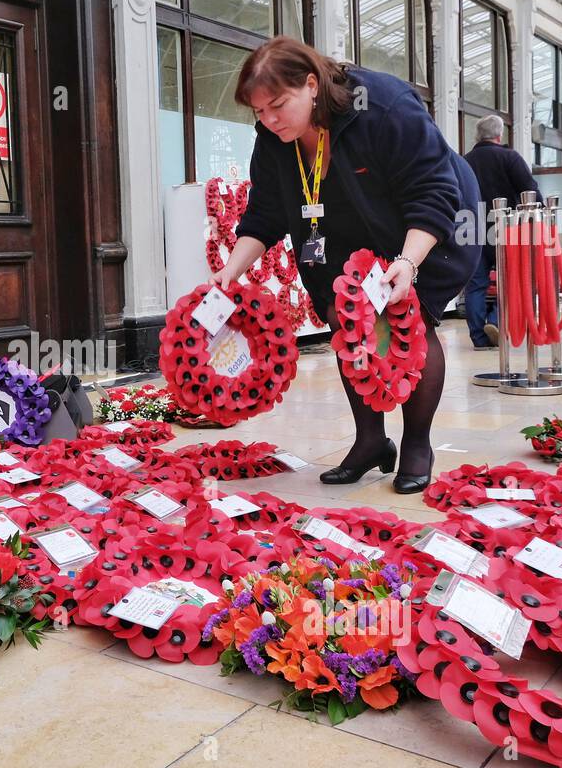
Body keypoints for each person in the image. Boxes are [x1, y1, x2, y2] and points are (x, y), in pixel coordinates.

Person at [211, 37, 481, 494]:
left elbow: (432, 191)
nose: (270, 121)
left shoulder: (384, 106)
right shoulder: (274, 139)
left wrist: (408, 263)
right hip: (344, 235)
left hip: (427, 225)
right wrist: (230, 270)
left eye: (278, 105)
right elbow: (266, 211)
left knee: (411, 323)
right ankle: (370, 441)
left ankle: (417, 445)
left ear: (312, 84)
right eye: (258, 112)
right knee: (347, 322)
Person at [463, 114, 541, 349]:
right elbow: (530, 190)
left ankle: (478, 337)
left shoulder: (464, 161)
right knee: (509, 280)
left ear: (477, 136)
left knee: (475, 284)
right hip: (507, 228)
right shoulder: (510, 158)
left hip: (472, 229)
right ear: (499, 135)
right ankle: (495, 320)